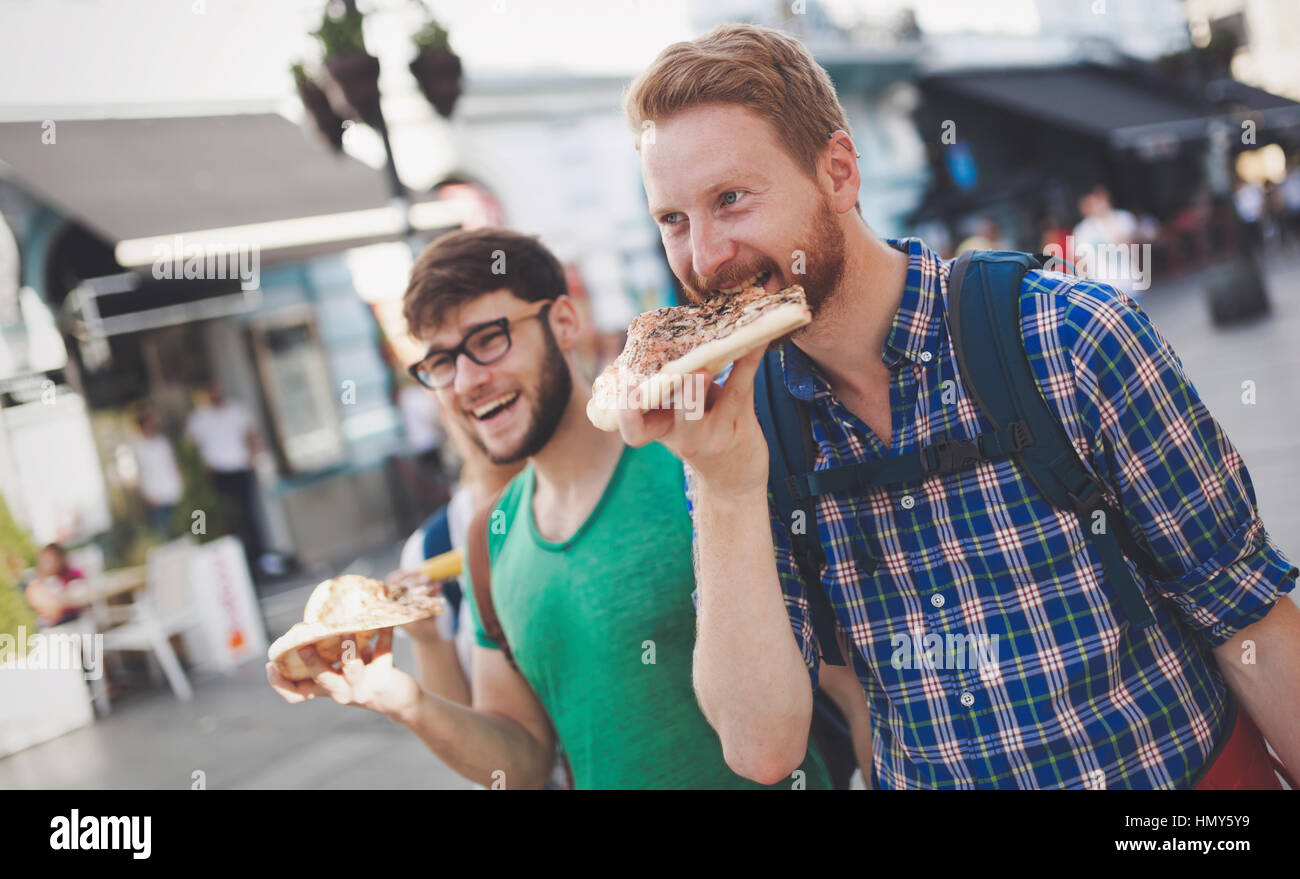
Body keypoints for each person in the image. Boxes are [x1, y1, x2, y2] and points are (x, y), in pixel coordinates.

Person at [613, 23, 1300, 789]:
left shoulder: (1069, 335)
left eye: (730, 199)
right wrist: (725, 481)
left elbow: (1252, 625)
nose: (703, 259)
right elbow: (763, 747)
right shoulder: (742, 429)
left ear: (840, 172)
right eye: (673, 220)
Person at [268, 227, 834, 789]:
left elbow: (852, 689)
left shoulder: (700, 451)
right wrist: (398, 698)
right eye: (440, 362)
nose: (467, 380)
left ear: (564, 322)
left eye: (488, 339)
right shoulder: (490, 536)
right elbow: (522, 762)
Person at [185, 382, 267, 574]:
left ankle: (257, 557)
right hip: (219, 471)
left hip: (239, 466)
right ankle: (238, 561)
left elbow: (251, 434)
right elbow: (191, 444)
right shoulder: (201, 417)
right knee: (229, 516)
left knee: (249, 514)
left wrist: (254, 455)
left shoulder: (236, 410)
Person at [131, 409, 183, 537]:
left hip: (173, 491)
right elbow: (137, 474)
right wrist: (145, 494)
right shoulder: (138, 447)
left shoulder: (162, 442)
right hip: (156, 496)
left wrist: (180, 484)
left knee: (181, 527)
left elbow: (173, 464)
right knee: (165, 531)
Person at [24, 543, 87, 628]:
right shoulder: (35, 584)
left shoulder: (72, 574)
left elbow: (84, 595)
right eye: (47, 560)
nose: (50, 564)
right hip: (55, 629)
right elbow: (50, 610)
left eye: (54, 559)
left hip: (77, 621)